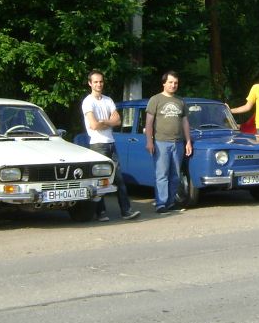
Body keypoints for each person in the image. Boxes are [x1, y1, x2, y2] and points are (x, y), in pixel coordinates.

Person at [82, 70, 140, 222]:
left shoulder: (108, 100)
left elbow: (118, 121)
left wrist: (104, 122)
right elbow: (94, 125)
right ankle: (101, 213)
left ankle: (126, 211)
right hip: (97, 145)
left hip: (111, 143)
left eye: (101, 81)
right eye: (95, 82)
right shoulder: (88, 102)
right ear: (90, 83)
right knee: (100, 181)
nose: (99, 84)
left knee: (119, 179)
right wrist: (108, 121)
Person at [144, 70, 193, 214]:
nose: (173, 85)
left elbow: (185, 122)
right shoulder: (155, 99)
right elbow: (149, 122)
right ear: (164, 83)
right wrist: (149, 141)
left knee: (176, 175)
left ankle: (171, 202)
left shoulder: (180, 101)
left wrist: (188, 141)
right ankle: (161, 204)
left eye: (176, 83)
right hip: (160, 142)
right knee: (162, 174)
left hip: (178, 143)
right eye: (170, 82)